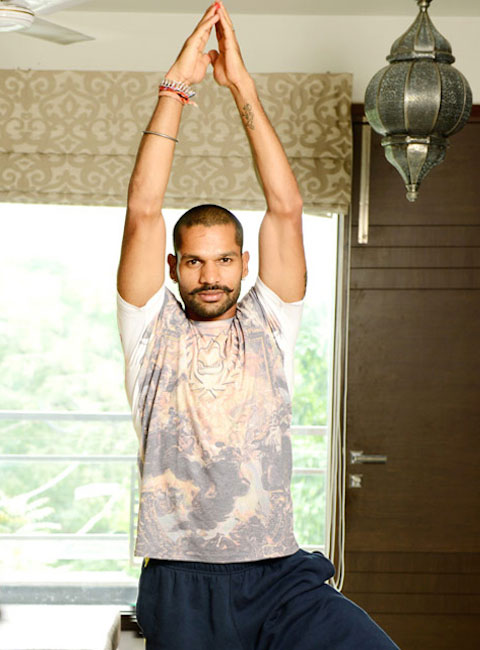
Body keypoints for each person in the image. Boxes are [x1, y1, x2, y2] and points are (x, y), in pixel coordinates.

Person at [117, 3, 399, 649]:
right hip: (182, 580)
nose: (209, 276)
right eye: (194, 262)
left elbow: (287, 207)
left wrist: (242, 87)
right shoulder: (148, 330)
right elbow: (142, 208)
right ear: (174, 267)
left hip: (278, 573)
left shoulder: (269, 319)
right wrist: (176, 88)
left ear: (245, 264)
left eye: (224, 260)